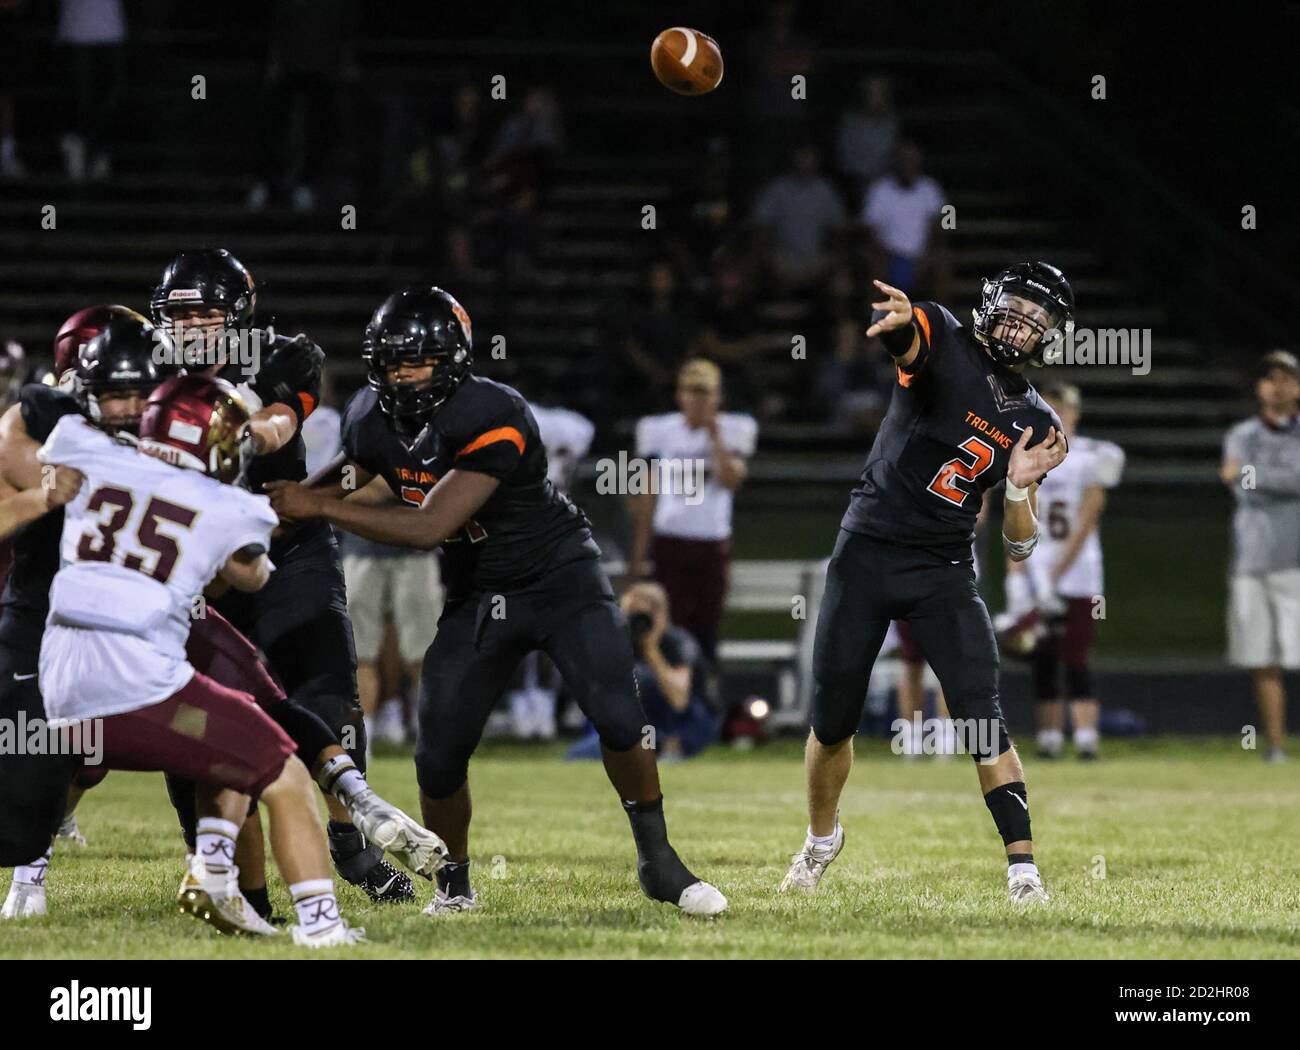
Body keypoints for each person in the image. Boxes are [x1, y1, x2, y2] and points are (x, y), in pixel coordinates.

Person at [266, 285, 727, 918]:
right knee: (438, 749)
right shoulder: (371, 417)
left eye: (416, 360)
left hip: (558, 578)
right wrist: (270, 519)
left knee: (620, 716)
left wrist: (314, 506)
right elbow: (353, 476)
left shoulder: (492, 411)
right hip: (479, 591)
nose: (402, 374)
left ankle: (659, 862)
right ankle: (453, 884)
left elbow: (428, 525)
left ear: (452, 357)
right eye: (391, 361)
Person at [778, 263, 1074, 905]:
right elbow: (909, 340)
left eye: (1040, 318)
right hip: (868, 551)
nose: (1025, 324)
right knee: (832, 721)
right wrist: (900, 323)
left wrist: (1020, 486)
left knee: (981, 719)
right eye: (1018, 307)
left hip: (942, 567)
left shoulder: (1038, 420)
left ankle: (1023, 872)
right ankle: (822, 837)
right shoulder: (944, 333)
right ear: (993, 302)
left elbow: (1020, 544)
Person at [35, 373, 364, 946]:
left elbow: (40, 409)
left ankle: (212, 867)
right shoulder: (226, 503)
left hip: (58, 680)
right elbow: (253, 576)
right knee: (284, 773)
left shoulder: (87, 445)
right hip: (136, 684)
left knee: (231, 728)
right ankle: (323, 928)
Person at [150, 248, 422, 902]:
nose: (189, 330)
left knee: (329, 700)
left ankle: (352, 850)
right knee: (191, 724)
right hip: (191, 570)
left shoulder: (278, 355)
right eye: (178, 317)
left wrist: (235, 435)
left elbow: (280, 420)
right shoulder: (143, 370)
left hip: (286, 551)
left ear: (238, 314)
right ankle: (227, 879)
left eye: (206, 315)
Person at [1007, 382, 1125, 760]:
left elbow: (1088, 517)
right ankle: (1050, 738)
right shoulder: (1028, 455)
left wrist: (1054, 574)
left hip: (1079, 574)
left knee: (1076, 653)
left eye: (1063, 408)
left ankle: (1087, 737)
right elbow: (1017, 513)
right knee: (1040, 656)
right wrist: (1018, 573)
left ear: (1075, 412)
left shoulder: (1094, 454)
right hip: (1036, 570)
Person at [630, 359, 757, 664]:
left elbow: (731, 480)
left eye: (705, 392)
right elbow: (647, 495)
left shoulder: (734, 429)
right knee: (667, 626)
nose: (698, 400)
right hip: (670, 539)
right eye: (692, 391)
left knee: (707, 628)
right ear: (679, 395)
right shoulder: (659, 430)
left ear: (718, 396)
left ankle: (702, 694)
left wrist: (715, 438)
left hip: (710, 541)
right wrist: (638, 553)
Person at [1220, 349, 1300, 762]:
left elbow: (1246, 476)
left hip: (1296, 562)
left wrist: (1257, 477)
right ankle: (1275, 744)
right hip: (1252, 561)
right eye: (1271, 378)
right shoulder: (1242, 434)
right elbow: (1233, 480)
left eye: (1286, 377)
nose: (1278, 385)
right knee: (1263, 659)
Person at [569, 583, 718, 761]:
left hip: (684, 724)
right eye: (632, 615)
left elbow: (679, 701)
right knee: (577, 756)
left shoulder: (678, 643)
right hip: (644, 726)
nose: (638, 622)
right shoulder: (622, 644)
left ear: (661, 616)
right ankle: (657, 748)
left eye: (643, 615)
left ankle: (668, 750)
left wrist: (651, 650)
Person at [862, 142, 946, 296]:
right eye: (904, 159)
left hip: (922, 255)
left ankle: (942, 317)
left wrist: (927, 251)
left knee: (942, 264)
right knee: (874, 264)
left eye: (912, 159)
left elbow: (946, 219)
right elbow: (871, 229)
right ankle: (875, 316)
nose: (908, 164)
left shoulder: (930, 187)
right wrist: (888, 254)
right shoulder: (879, 189)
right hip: (887, 255)